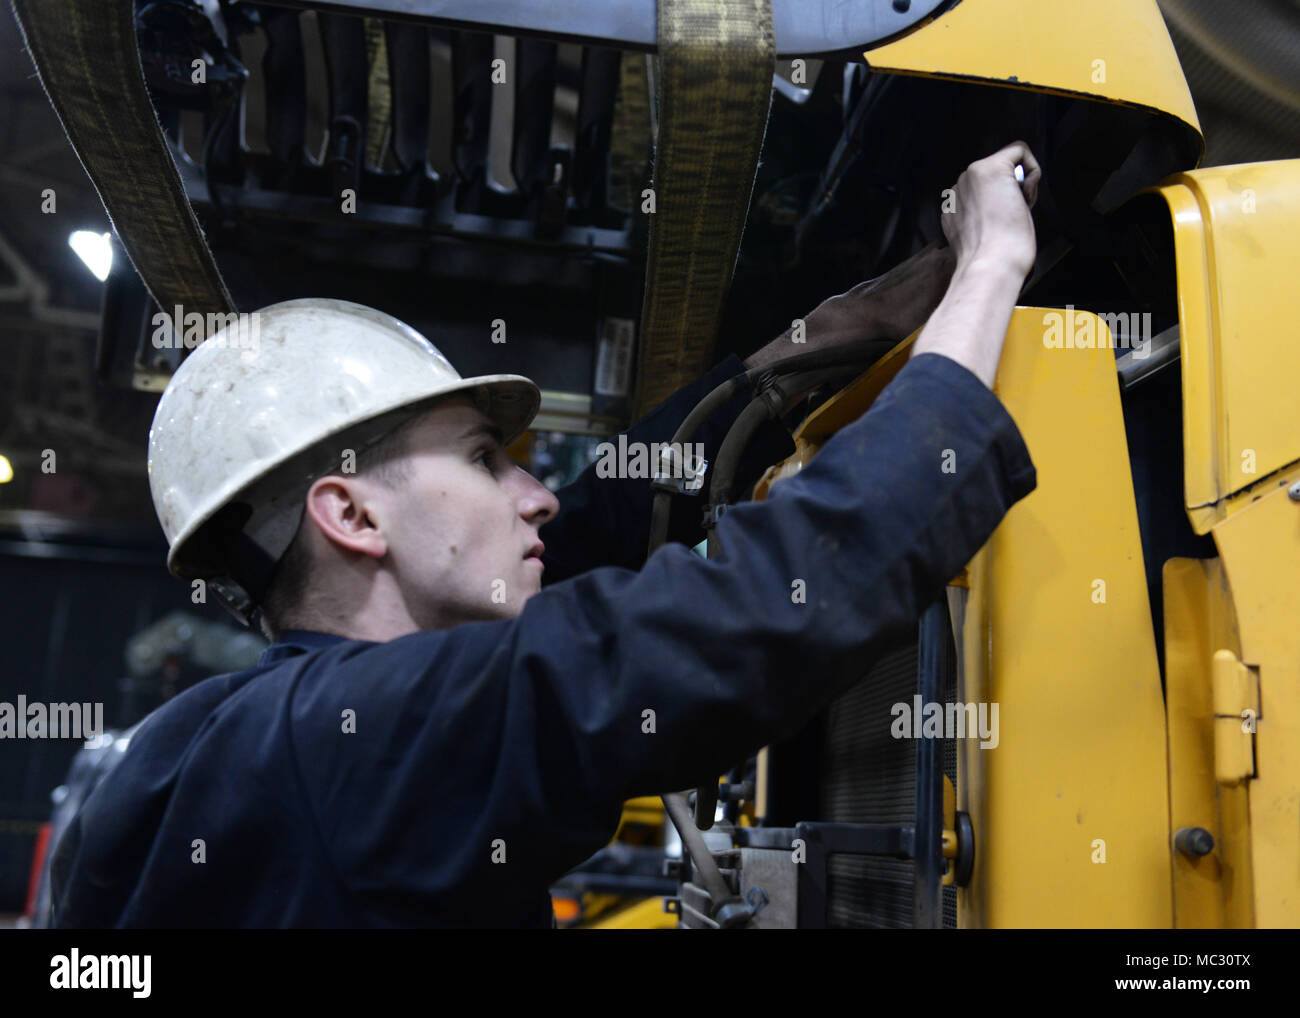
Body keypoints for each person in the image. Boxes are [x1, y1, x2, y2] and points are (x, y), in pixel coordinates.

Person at [50, 142, 1042, 928]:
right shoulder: (369, 734)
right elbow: (753, 607)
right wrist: (991, 271)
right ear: (349, 512)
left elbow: (602, 520)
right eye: (485, 458)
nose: (538, 495)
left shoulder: (204, 749)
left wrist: (839, 330)